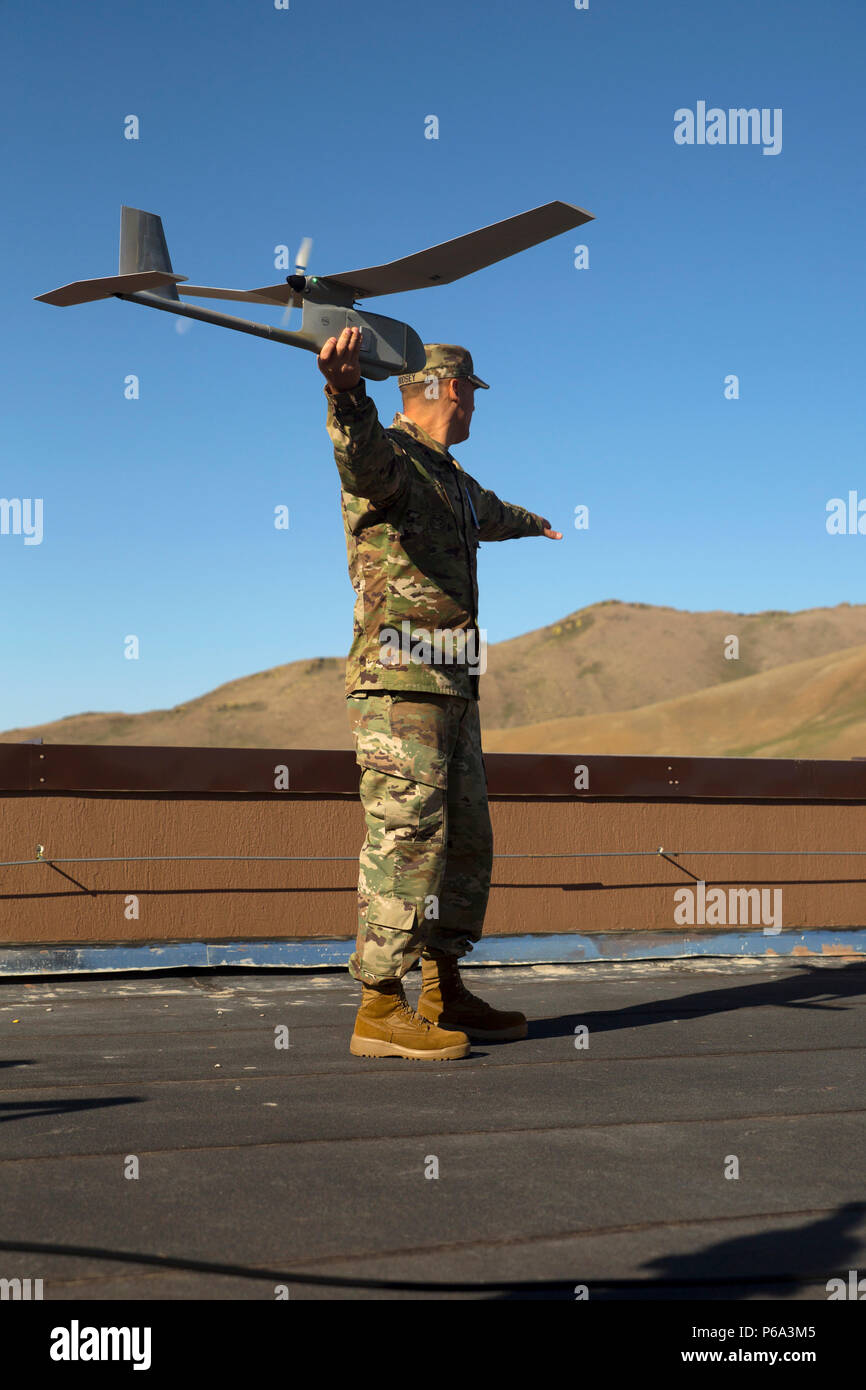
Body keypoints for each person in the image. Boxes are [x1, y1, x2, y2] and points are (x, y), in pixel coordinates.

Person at [319, 327, 562, 1060]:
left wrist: (534, 524)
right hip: (400, 685)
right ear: (454, 390)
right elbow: (356, 456)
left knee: (462, 841)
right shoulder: (391, 457)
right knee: (407, 836)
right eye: (472, 397)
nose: (475, 411)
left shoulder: (450, 476)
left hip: (451, 685)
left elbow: (490, 513)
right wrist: (346, 391)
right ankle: (379, 1007)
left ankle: (443, 987)